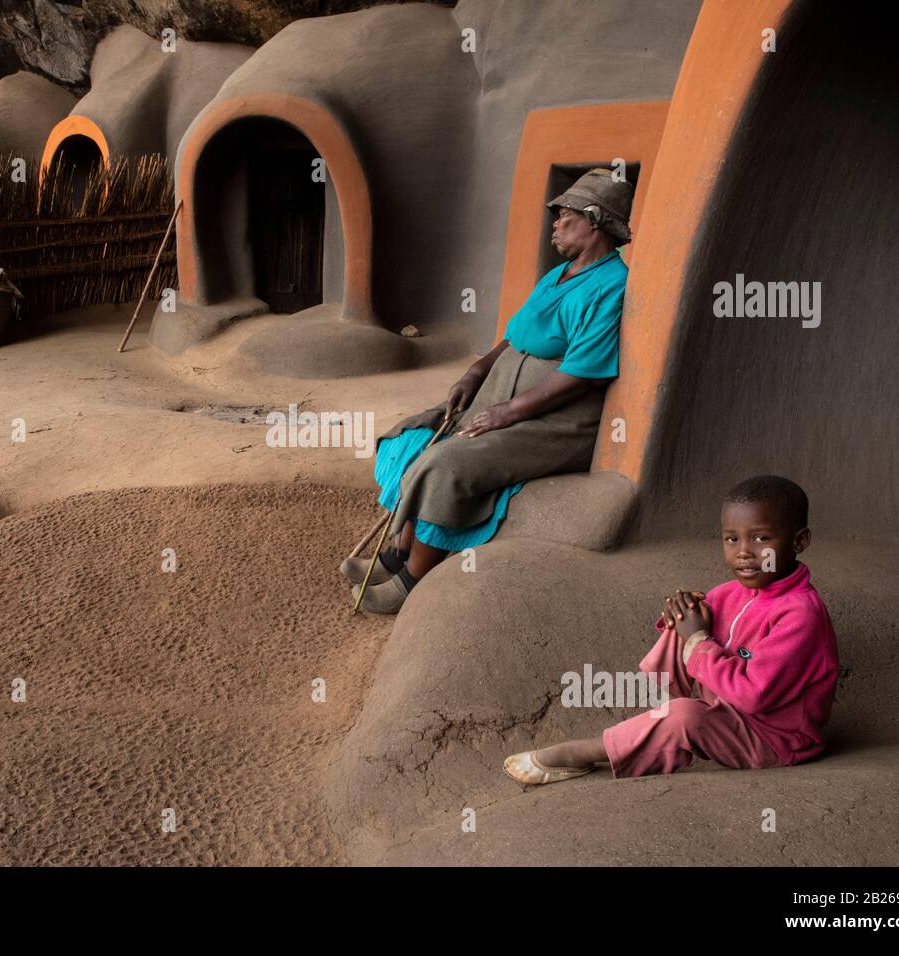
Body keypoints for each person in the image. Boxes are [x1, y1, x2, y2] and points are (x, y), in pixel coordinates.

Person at [343, 168, 635, 614]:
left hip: (553, 421)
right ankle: (395, 552)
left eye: (565, 216)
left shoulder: (611, 286)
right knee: (414, 440)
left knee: (446, 464)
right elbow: (513, 336)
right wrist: (476, 373)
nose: (554, 224)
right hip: (497, 399)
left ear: (594, 220)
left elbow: (585, 374)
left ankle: (410, 580)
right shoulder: (557, 275)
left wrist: (510, 412)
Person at [503, 475, 840, 786]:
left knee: (685, 714)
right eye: (731, 539)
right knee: (694, 612)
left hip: (775, 740)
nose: (743, 553)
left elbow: (753, 696)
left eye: (761, 538)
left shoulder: (800, 614)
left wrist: (698, 639)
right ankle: (660, 718)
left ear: (799, 541)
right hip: (725, 712)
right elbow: (688, 630)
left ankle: (588, 752)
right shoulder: (729, 593)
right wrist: (680, 614)